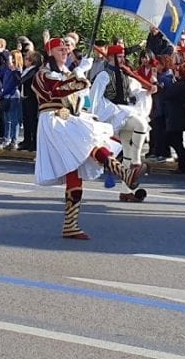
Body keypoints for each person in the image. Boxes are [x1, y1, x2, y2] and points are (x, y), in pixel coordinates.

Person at [33, 37, 124, 239]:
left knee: (75, 171)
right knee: (88, 141)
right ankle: (122, 172)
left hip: (68, 119)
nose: (65, 52)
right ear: (50, 52)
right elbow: (56, 90)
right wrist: (79, 75)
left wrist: (80, 77)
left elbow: (79, 99)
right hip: (53, 121)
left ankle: (70, 225)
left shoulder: (66, 72)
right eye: (60, 49)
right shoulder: (43, 74)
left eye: (66, 49)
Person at [90, 44, 155, 194]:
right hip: (113, 115)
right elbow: (95, 97)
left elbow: (135, 89)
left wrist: (147, 90)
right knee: (140, 125)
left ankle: (126, 191)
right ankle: (136, 162)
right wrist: (96, 118)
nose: (122, 59)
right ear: (112, 57)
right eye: (119, 57)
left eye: (123, 56)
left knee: (128, 150)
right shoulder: (104, 75)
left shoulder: (125, 73)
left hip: (126, 111)